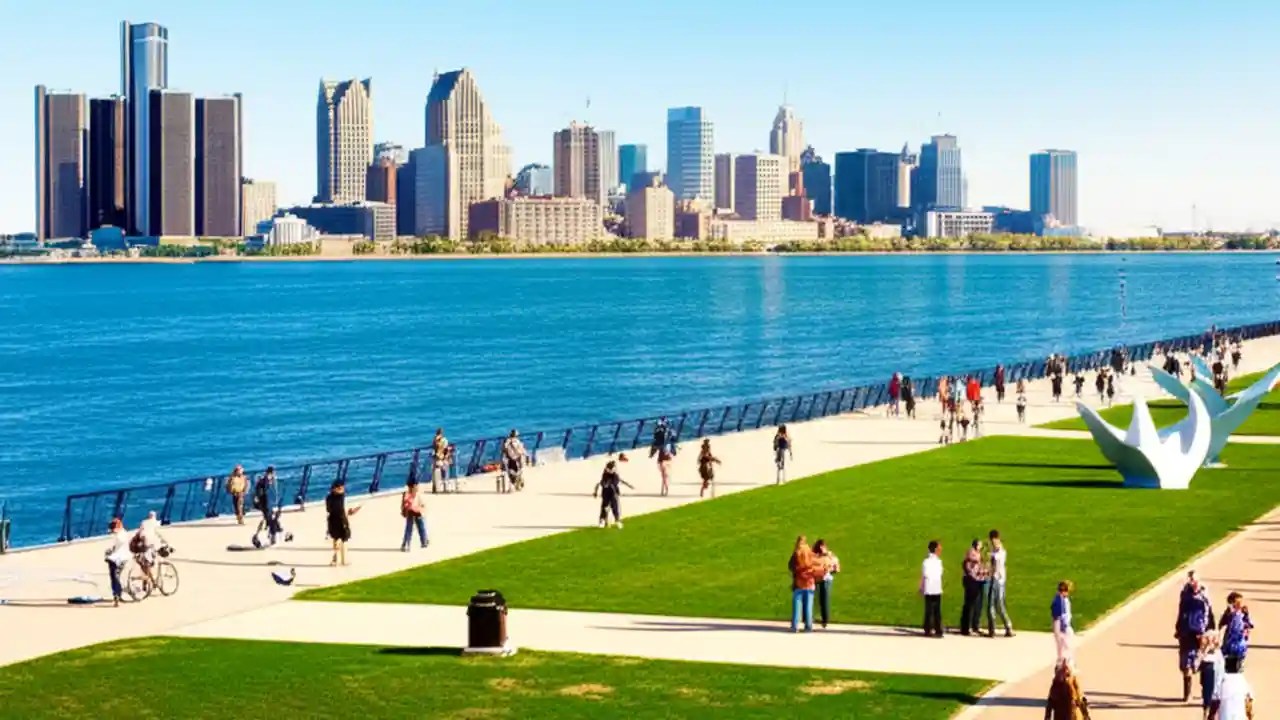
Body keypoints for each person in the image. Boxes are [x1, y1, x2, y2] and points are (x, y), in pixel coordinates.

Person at [1175, 571, 1216, 702]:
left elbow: (1209, 613)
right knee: (1186, 664)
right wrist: (1179, 627)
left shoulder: (1204, 596)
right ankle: (1187, 693)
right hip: (1186, 632)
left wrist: (1209, 631)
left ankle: (1207, 690)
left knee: (1203, 663)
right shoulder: (1185, 594)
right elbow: (1181, 611)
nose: (1192, 582)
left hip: (1200, 633)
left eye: (1194, 579)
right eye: (1190, 579)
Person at [787, 536, 827, 633]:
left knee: (797, 606)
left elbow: (791, 566)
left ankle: (794, 626)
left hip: (799, 583)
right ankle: (808, 627)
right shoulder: (809, 553)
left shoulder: (796, 554)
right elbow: (818, 563)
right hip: (810, 583)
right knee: (808, 606)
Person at [325, 480, 360, 566]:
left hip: (332, 521)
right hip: (341, 521)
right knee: (343, 540)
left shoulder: (329, 498)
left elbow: (328, 509)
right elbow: (345, 511)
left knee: (335, 539)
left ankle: (336, 560)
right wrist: (354, 510)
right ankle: (342, 560)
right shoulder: (342, 498)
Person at [987, 529, 1013, 637]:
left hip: (998, 580)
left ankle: (1005, 626)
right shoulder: (997, 550)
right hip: (996, 579)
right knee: (993, 605)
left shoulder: (1000, 551)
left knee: (997, 605)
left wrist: (991, 556)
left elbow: (997, 560)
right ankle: (995, 628)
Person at [1219, 592, 1253, 672]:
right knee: (1229, 659)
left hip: (1240, 638)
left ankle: (1239, 665)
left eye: (1240, 602)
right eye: (1238, 602)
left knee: (1240, 655)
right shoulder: (1229, 612)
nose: (1240, 604)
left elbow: (1249, 623)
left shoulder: (1243, 612)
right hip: (1230, 639)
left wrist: (1247, 628)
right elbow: (1222, 624)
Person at [593, 460, 633, 528]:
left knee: (614, 507)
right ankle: (602, 520)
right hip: (606, 493)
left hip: (613, 493)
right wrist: (596, 492)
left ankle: (617, 520)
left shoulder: (615, 475)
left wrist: (628, 485)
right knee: (605, 506)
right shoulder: (605, 475)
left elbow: (617, 482)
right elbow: (600, 483)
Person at [960, 539, 988, 635]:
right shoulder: (972, 553)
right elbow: (972, 567)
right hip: (972, 581)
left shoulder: (979, 554)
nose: (981, 547)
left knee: (978, 605)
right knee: (970, 604)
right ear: (976, 545)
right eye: (980, 545)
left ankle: (975, 625)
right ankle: (966, 627)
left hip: (979, 581)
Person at [813, 539, 840, 629]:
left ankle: (825, 620)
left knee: (824, 600)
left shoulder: (828, 556)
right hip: (820, 579)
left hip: (825, 580)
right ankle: (823, 618)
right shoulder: (820, 556)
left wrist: (830, 568)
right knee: (821, 600)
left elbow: (836, 567)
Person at [103, 518, 130, 607]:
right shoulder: (123, 534)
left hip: (118, 558)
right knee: (115, 576)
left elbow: (113, 546)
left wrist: (109, 552)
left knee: (114, 576)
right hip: (118, 558)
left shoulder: (118, 536)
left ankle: (117, 594)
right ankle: (117, 594)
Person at [920, 540, 944, 638]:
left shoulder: (926, 561)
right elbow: (939, 573)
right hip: (936, 587)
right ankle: (937, 629)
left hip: (930, 587)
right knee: (936, 610)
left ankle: (928, 628)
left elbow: (925, 574)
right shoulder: (938, 562)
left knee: (929, 609)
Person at [1199, 633, 1224, 719]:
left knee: (1209, 707)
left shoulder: (1208, 657)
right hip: (1215, 692)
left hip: (1212, 691)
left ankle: (1207, 714)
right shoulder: (1217, 655)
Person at [399, 479, 427, 551]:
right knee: (409, 528)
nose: (417, 487)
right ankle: (406, 544)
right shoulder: (407, 494)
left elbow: (422, 504)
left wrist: (421, 509)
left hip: (417, 512)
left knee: (421, 527)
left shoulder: (417, 494)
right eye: (416, 486)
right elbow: (405, 504)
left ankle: (424, 541)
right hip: (411, 512)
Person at [1052, 581, 1075, 667]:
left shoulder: (1059, 599)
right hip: (1063, 627)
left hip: (1060, 627)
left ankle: (1061, 664)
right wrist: (1064, 628)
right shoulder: (1061, 600)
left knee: (1062, 649)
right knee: (1066, 648)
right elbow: (1061, 616)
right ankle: (1067, 666)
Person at [431, 428, 452, 493]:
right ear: (442, 433)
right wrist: (447, 456)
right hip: (443, 458)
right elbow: (446, 449)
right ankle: (446, 488)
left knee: (436, 474)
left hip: (436, 458)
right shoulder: (444, 440)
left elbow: (434, 449)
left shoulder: (434, 440)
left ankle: (436, 489)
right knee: (445, 473)